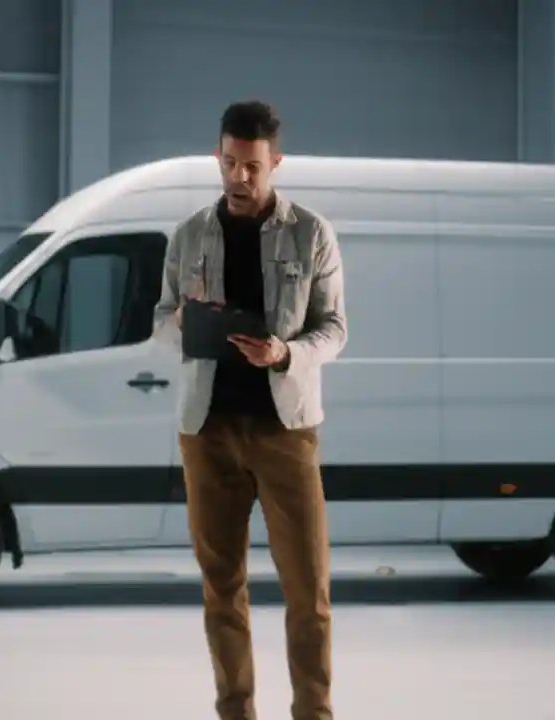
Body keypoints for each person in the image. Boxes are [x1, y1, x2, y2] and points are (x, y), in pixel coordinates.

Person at [152, 100, 347, 720]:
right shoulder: (188, 236)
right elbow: (159, 322)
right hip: (206, 432)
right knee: (222, 588)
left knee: (308, 591)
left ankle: (313, 713)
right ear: (219, 155)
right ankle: (235, 711)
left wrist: (284, 352)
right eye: (230, 163)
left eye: (253, 167)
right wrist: (182, 321)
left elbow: (336, 329)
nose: (240, 177)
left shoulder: (310, 233)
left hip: (285, 432)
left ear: (276, 163)